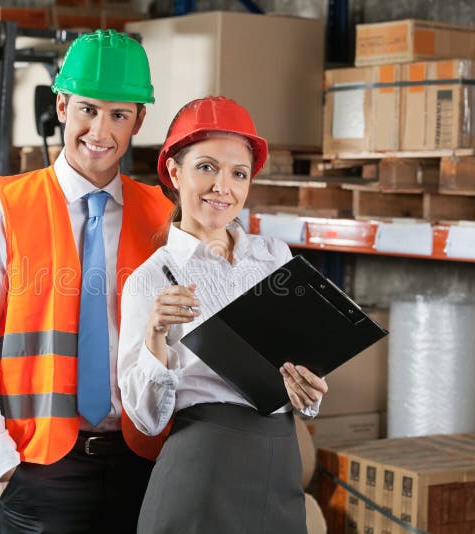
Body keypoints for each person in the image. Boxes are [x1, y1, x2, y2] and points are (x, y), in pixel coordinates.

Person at [0, 30, 173, 533]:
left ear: (139, 119)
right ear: (63, 106)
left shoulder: (161, 219)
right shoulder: (1, 215)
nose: (100, 130)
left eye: (119, 114)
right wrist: (1, 464)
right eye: (88, 109)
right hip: (38, 468)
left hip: (143, 461)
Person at [117, 96, 329, 533]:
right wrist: (157, 334)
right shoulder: (150, 279)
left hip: (279, 462)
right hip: (202, 469)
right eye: (207, 167)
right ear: (175, 173)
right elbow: (147, 419)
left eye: (239, 173)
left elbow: (299, 363)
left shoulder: (274, 259)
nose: (223, 187)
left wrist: (309, 391)